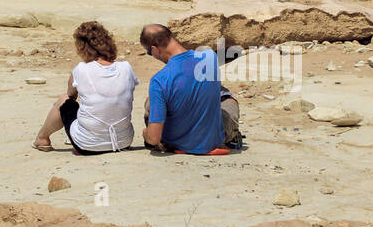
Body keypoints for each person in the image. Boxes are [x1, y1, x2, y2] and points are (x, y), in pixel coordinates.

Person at [32, 20, 137, 154]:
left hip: (88, 145)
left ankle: (42, 138)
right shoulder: (126, 68)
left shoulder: (81, 69)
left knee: (65, 100)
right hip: (123, 141)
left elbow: (71, 96)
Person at [139, 23, 242, 153]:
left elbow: (153, 139)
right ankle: (231, 136)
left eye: (150, 53)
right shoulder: (210, 58)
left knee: (151, 102)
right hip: (213, 141)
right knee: (229, 100)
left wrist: (146, 134)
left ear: (154, 49)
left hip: (175, 143)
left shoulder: (159, 80)